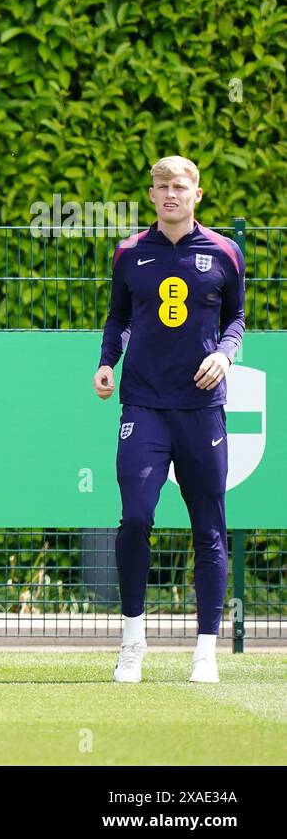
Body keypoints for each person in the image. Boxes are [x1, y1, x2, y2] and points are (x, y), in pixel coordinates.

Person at [95, 156, 245, 684]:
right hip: (143, 405)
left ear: (197, 194)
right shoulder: (129, 252)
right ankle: (132, 643)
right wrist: (106, 363)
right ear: (152, 195)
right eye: (161, 186)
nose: (170, 194)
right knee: (136, 517)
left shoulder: (225, 251)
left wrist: (225, 354)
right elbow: (118, 316)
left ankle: (205, 650)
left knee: (209, 526)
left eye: (179, 186)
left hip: (202, 408)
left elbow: (236, 317)